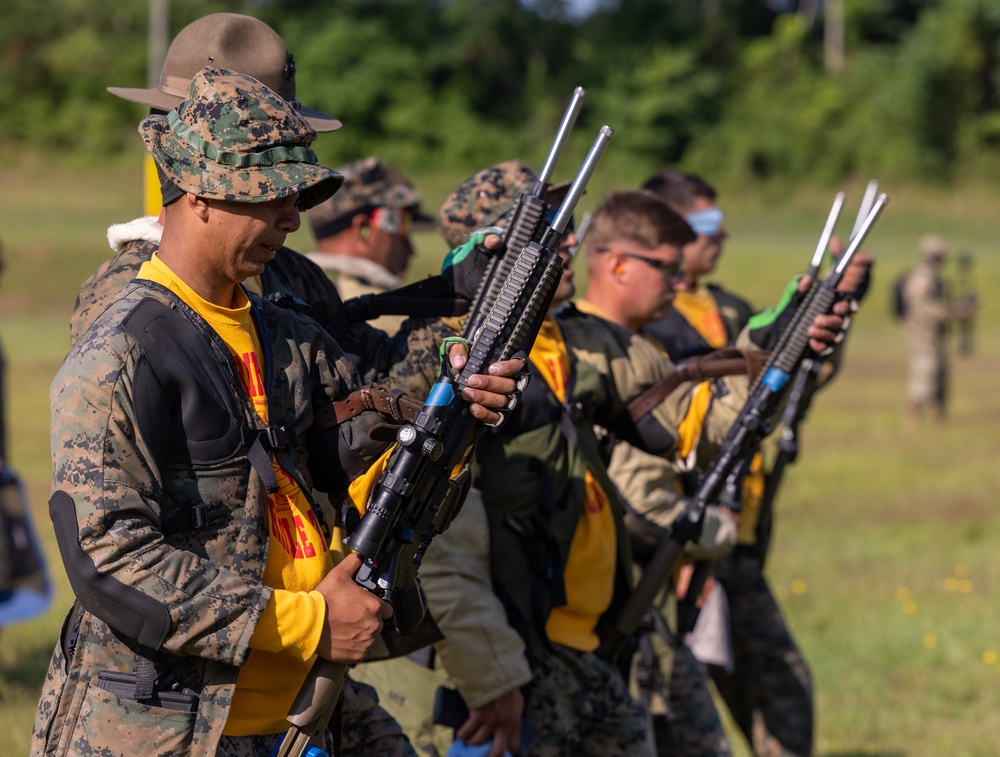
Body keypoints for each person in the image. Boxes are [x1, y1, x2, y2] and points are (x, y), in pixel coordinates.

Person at [31, 67, 523, 757]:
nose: (292, 220)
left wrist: (453, 417)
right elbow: (110, 558)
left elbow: (371, 465)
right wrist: (309, 622)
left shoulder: (288, 338)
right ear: (196, 193)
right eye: (269, 200)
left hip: (304, 704)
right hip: (166, 727)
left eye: (294, 200)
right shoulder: (122, 352)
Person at [640, 170, 868, 757]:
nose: (723, 236)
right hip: (679, 543)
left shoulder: (731, 307)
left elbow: (791, 390)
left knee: (783, 692)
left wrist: (833, 315)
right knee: (670, 716)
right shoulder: (647, 326)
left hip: (737, 539)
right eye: (707, 224)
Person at [72, 13, 385, 375]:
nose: (291, 217)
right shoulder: (127, 301)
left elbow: (371, 367)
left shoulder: (288, 270)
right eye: (264, 163)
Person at [305, 156, 433, 335]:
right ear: (363, 229)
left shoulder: (297, 288)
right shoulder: (384, 317)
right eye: (401, 228)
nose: (412, 250)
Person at [902, 234, 975, 424]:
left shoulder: (937, 277)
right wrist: (951, 310)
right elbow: (922, 307)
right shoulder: (922, 277)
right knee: (924, 374)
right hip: (923, 335)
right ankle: (914, 418)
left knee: (940, 376)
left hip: (937, 335)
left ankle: (939, 419)